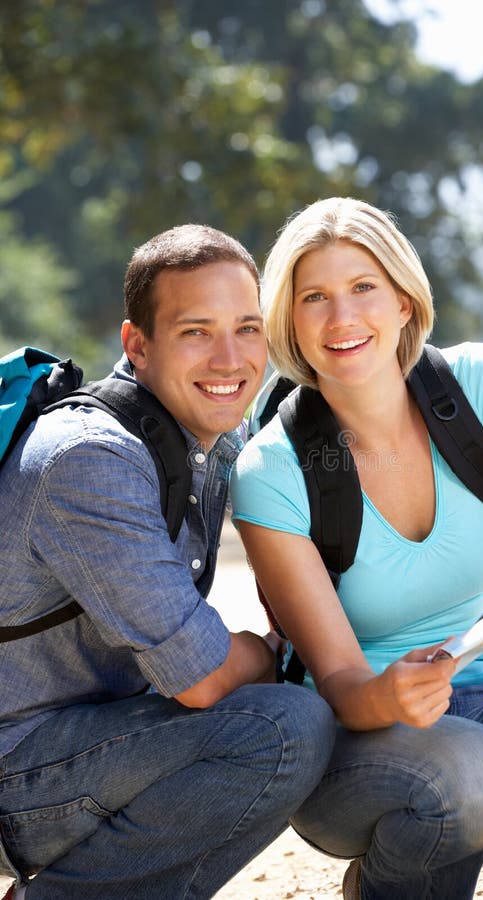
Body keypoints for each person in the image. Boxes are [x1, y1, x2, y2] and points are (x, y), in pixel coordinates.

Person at [230, 197, 483, 900]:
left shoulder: (480, 386)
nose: (342, 318)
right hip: (359, 749)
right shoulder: (271, 471)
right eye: (315, 297)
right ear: (290, 323)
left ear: (403, 301)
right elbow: (338, 687)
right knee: (475, 775)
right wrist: (389, 695)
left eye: (363, 288)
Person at [0, 223, 336, 900]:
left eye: (247, 329)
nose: (230, 359)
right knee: (284, 728)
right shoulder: (91, 458)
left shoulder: (204, 435)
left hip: (82, 740)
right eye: (195, 331)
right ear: (137, 345)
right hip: (16, 767)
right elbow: (203, 679)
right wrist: (268, 651)